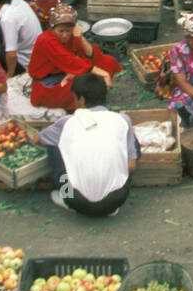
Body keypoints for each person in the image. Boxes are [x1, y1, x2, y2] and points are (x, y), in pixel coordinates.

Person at [37, 72, 138, 217]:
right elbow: (131, 166)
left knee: (54, 146)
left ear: (82, 99)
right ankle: (110, 199)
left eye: (74, 98)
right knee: (131, 142)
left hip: (75, 201)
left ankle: (65, 195)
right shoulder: (122, 120)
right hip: (117, 199)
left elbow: (38, 139)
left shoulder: (67, 122)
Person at [28, 4, 121, 110]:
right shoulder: (45, 40)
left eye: (68, 31)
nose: (65, 35)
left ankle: (88, 98)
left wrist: (81, 38)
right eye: (61, 31)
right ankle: (84, 102)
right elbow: (69, 61)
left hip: (66, 73)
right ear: (53, 29)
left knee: (108, 61)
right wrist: (103, 73)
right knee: (84, 81)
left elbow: (95, 57)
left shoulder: (73, 36)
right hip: (50, 84)